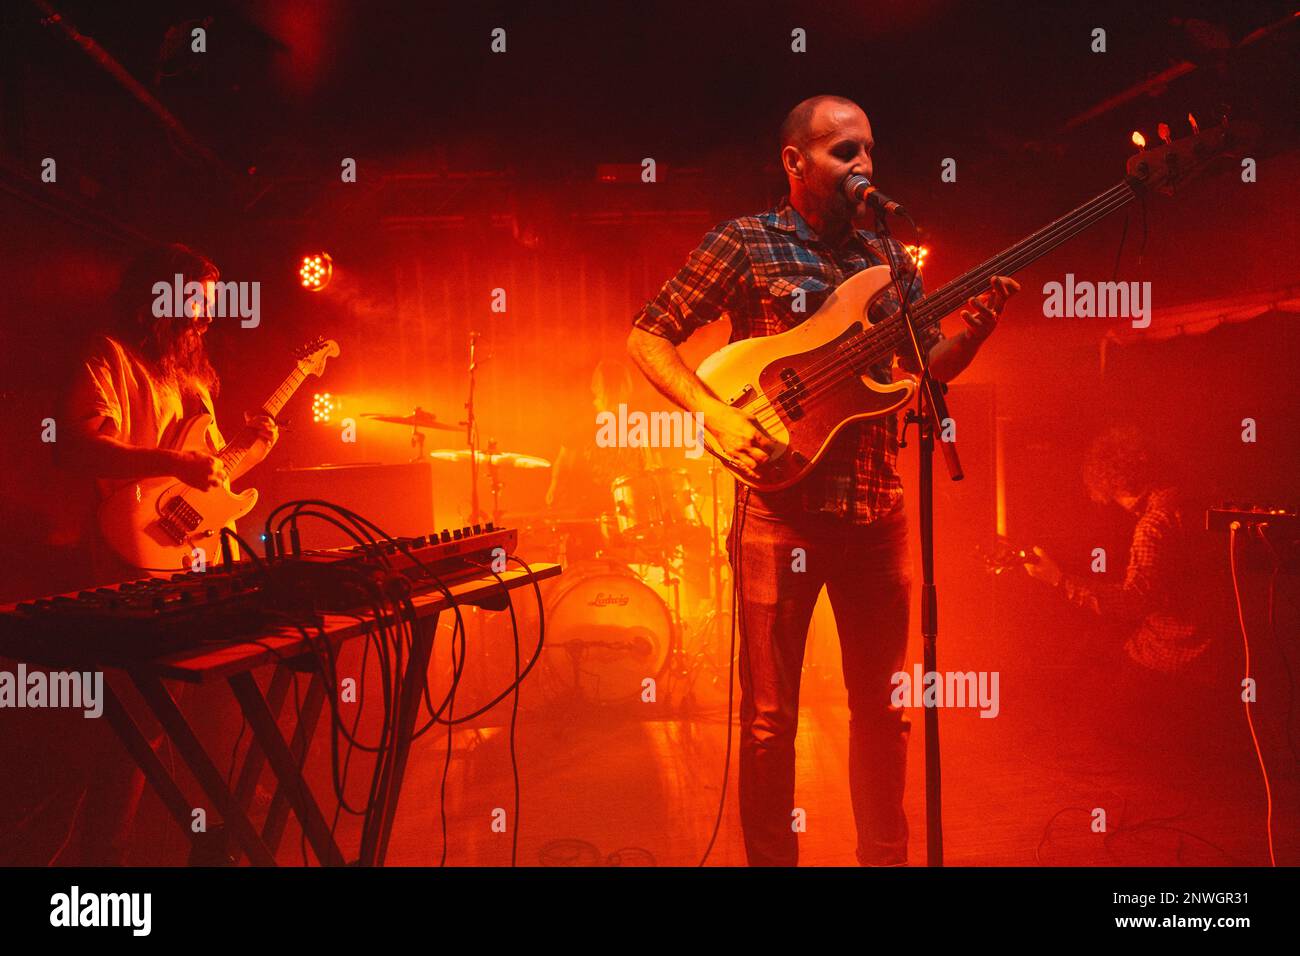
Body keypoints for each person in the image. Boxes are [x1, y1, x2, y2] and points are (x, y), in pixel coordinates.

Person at [627, 94, 1019, 866]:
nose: (862, 166)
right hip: (780, 515)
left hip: (879, 515)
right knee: (771, 721)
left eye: (869, 150)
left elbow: (924, 370)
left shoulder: (887, 262)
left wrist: (970, 330)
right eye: (844, 152)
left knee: (885, 713)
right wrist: (713, 413)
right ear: (794, 161)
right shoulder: (746, 242)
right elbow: (649, 333)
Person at [51, 243, 277, 864]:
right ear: (156, 299)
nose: (205, 322)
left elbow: (202, 486)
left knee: (182, 712)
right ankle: (91, 862)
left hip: (185, 560)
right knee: (124, 728)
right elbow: (73, 447)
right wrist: (169, 461)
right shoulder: (110, 357)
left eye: (209, 310)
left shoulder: (194, 377)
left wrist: (248, 453)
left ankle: (207, 838)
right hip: (120, 560)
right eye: (194, 307)